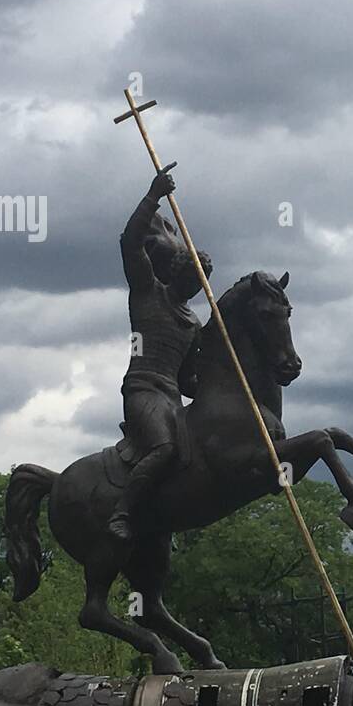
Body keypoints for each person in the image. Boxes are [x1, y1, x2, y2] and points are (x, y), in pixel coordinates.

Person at [107, 163, 212, 543]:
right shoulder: (147, 291)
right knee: (165, 449)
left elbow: (188, 381)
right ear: (178, 272)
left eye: (201, 284)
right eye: (192, 279)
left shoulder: (193, 324)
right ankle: (122, 512)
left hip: (171, 397)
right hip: (143, 390)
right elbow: (130, 243)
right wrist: (153, 195)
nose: (196, 288)